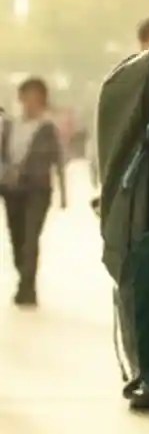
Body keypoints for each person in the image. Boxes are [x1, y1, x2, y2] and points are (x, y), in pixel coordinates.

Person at [1, 77, 67, 307]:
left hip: (37, 190)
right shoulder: (9, 125)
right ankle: (23, 278)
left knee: (30, 239)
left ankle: (28, 287)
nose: (30, 102)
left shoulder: (47, 128)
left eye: (36, 98)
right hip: (11, 190)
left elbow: (58, 159)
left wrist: (64, 194)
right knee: (16, 238)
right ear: (20, 98)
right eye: (27, 96)